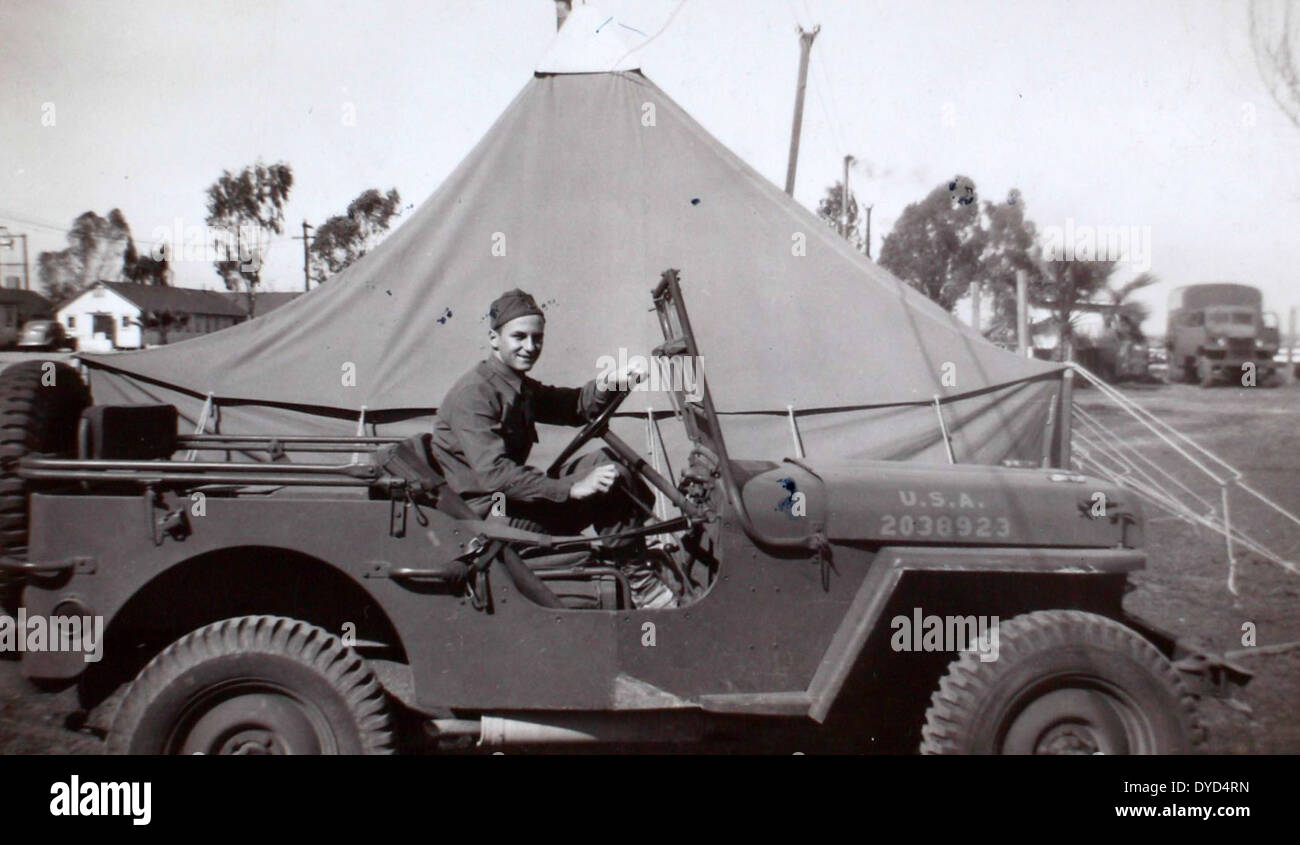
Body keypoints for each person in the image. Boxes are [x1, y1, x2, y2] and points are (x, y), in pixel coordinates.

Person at [430, 288, 676, 608]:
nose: (530, 347)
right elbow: (495, 475)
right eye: (519, 337)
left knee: (604, 462)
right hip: (491, 518)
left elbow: (572, 407)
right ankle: (641, 585)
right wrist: (570, 489)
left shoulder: (513, 384)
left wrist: (608, 384)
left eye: (537, 338)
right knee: (610, 478)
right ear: (494, 338)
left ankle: (632, 555)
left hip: (508, 505)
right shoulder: (476, 392)